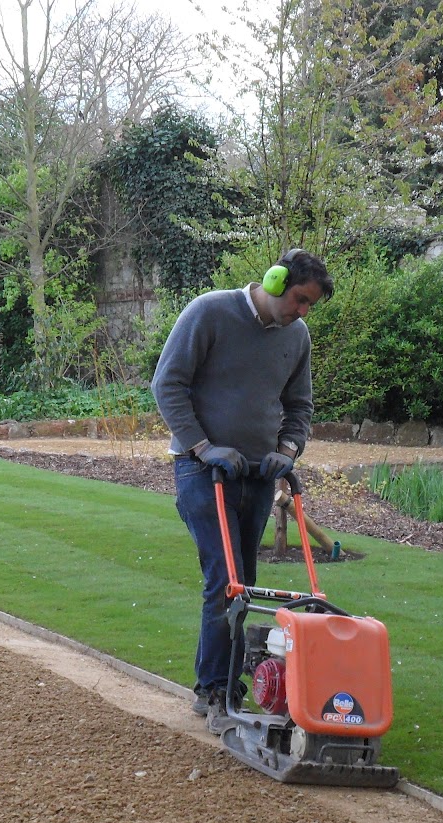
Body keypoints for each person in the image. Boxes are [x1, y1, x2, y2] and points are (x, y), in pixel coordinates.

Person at [152, 248, 334, 719]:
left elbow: (300, 406)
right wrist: (202, 446)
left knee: (244, 582)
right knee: (225, 579)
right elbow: (167, 384)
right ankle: (215, 690)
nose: (303, 311)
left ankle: (227, 683)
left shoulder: (297, 337)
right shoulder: (210, 312)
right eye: (299, 299)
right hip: (202, 471)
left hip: (257, 474)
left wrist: (287, 451)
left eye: (310, 304)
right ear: (275, 281)